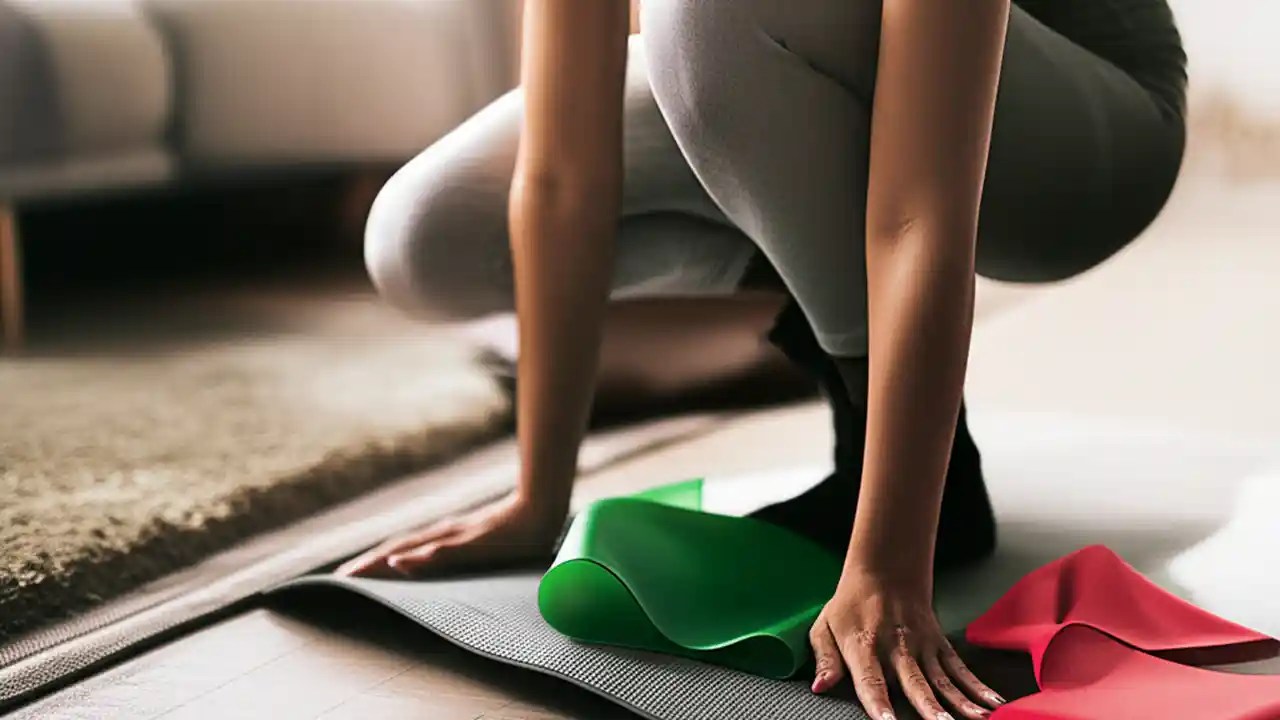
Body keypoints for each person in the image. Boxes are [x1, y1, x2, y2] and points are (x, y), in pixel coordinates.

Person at [339, 1, 1187, 718]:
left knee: (707, 10)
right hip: (803, 44)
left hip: (1084, 136)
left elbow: (918, 210)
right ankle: (873, 400)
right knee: (430, 233)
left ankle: (906, 467)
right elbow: (562, 176)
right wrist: (539, 498)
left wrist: (892, 562)